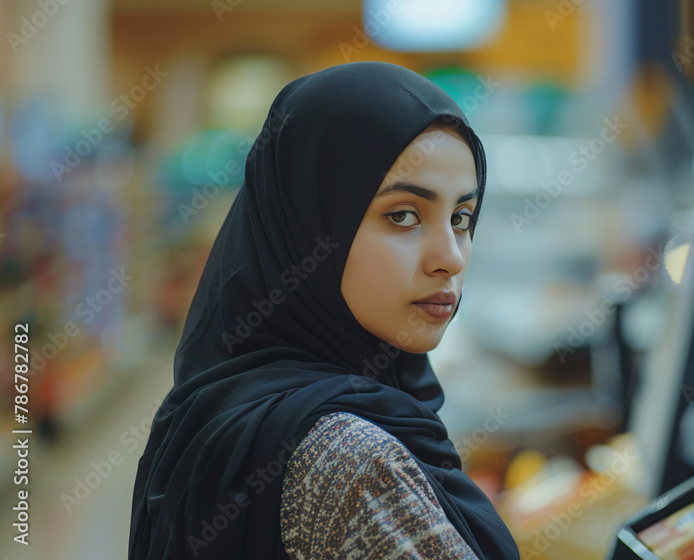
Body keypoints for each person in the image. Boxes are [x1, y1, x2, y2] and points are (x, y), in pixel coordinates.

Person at [128, 61, 520, 559]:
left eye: (462, 217)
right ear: (308, 229)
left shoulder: (224, 407)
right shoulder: (354, 460)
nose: (451, 257)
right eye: (403, 216)